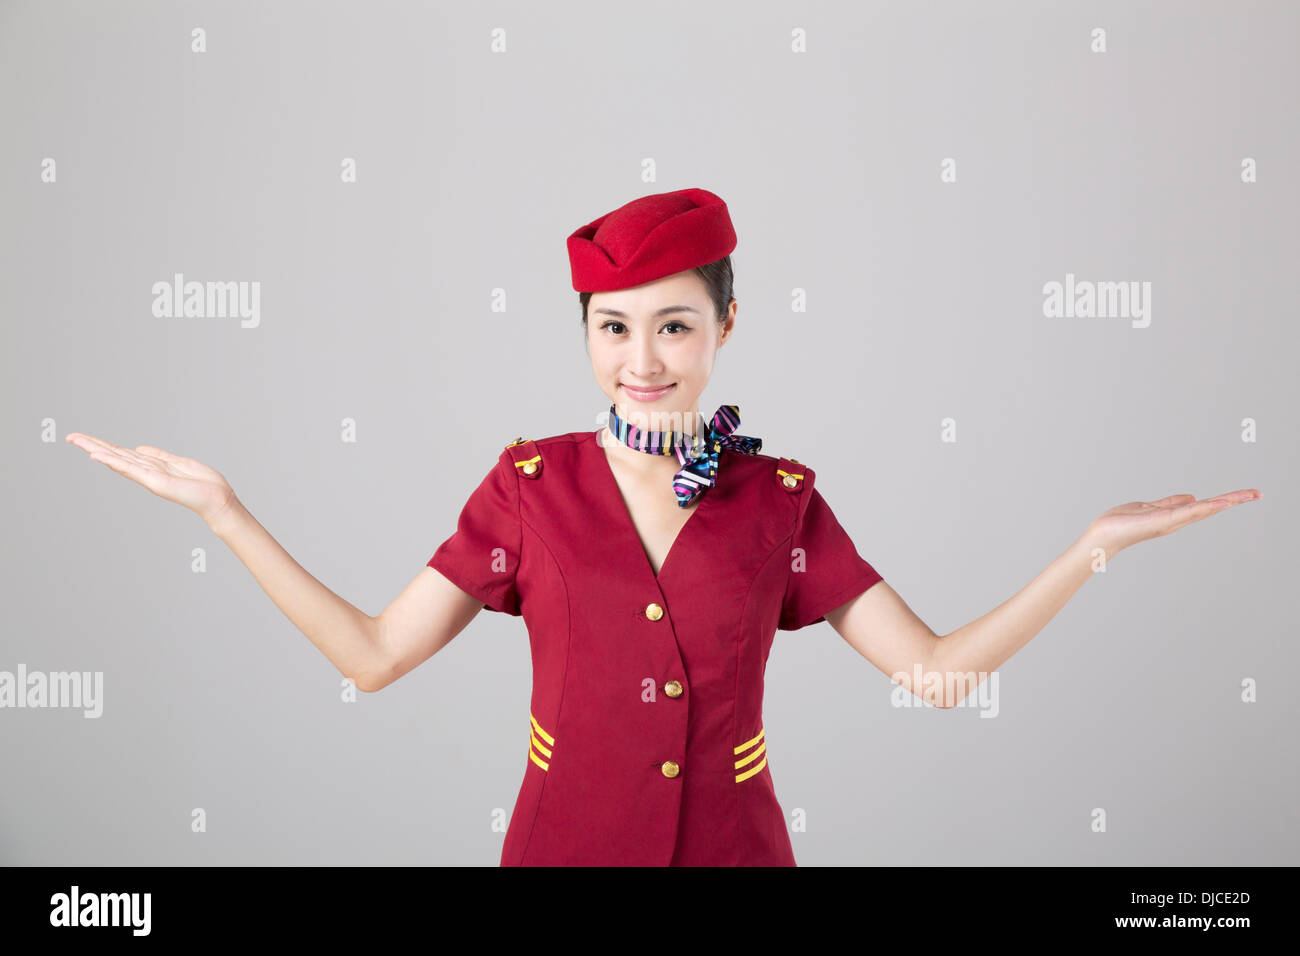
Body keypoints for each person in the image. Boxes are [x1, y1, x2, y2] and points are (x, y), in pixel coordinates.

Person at [65, 187, 1261, 867]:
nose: (642, 358)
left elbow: (939, 675)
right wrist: (226, 514)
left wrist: (1091, 548)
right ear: (585, 332)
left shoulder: (780, 498)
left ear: (726, 326)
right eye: (613, 326)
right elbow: (372, 657)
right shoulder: (527, 486)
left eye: (675, 325)